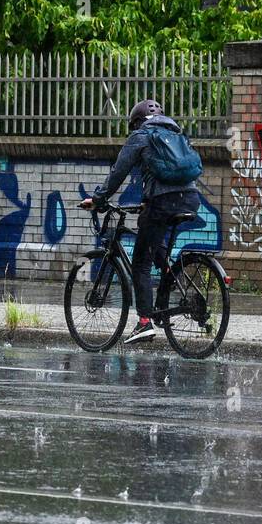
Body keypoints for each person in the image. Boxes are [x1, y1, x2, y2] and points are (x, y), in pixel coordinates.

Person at [79, 99, 201, 344]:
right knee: (154, 241)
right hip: (190, 199)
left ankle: (144, 322)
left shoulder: (141, 136)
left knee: (140, 264)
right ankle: (169, 281)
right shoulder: (176, 133)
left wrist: (99, 199)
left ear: (136, 122)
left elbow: (119, 171)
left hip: (162, 202)